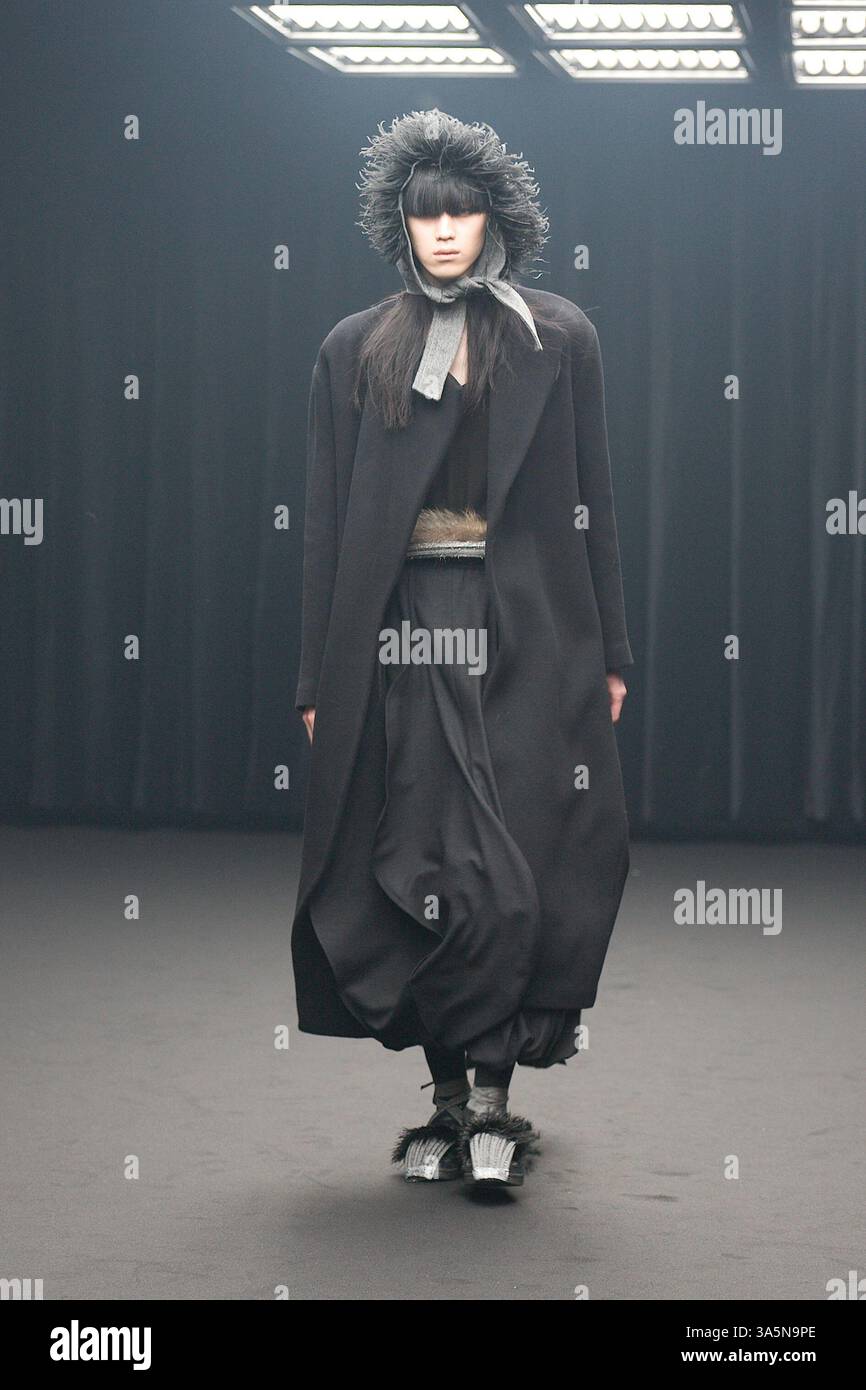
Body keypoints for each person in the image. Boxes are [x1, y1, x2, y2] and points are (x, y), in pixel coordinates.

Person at [292, 109, 633, 1188]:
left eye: (461, 211)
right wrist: (317, 675)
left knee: (513, 864)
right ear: (399, 222)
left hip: (528, 629)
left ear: (495, 215)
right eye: (424, 214)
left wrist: (611, 651)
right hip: (398, 640)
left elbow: (594, 503)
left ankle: (494, 1099)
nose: (444, 232)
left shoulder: (556, 335)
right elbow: (328, 519)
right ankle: (448, 1104)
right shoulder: (356, 347)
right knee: (417, 861)